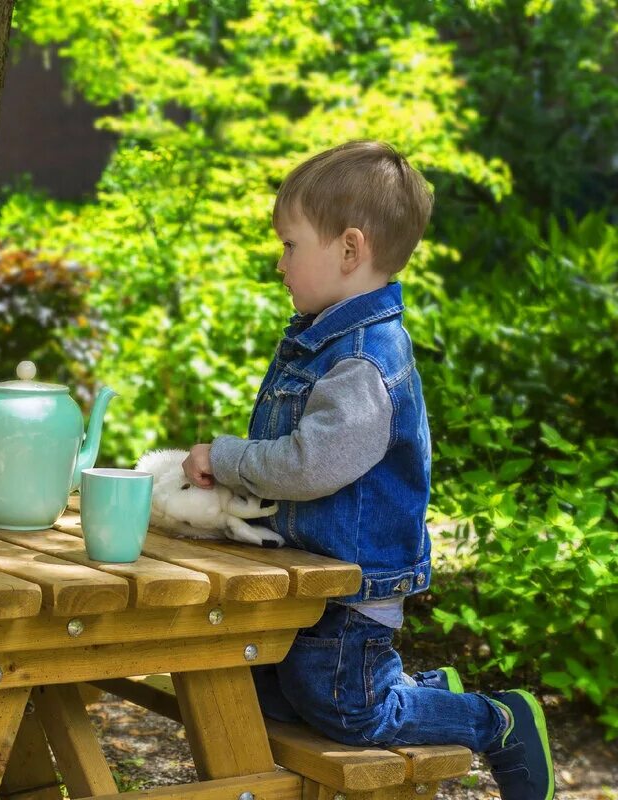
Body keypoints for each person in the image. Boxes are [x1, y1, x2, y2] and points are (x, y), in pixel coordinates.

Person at [181, 141, 554, 800]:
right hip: (306, 577)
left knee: (349, 713)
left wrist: (229, 457)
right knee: (274, 696)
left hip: (351, 592)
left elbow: (309, 463)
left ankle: (498, 720)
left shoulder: (364, 360)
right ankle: (426, 694)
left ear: (350, 250)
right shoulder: (321, 337)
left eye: (291, 246)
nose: (280, 263)